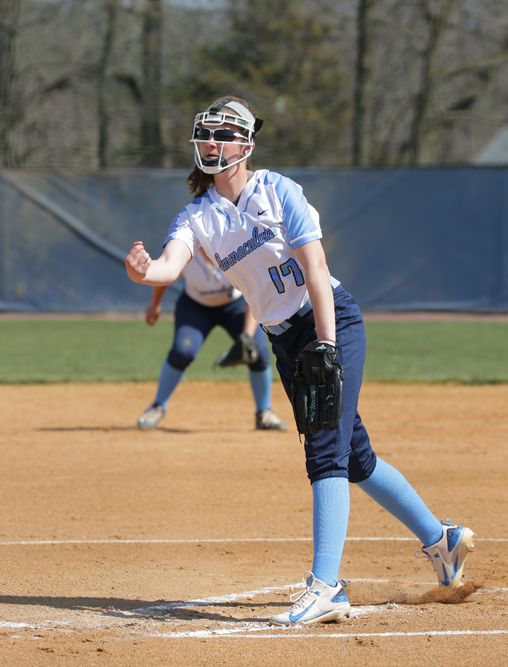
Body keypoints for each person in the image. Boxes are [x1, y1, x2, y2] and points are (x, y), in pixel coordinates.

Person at [124, 96, 474, 625]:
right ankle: (441, 540)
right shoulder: (198, 216)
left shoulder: (277, 190)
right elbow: (168, 267)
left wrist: (327, 344)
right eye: (206, 134)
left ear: (247, 145)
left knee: (325, 451)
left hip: (328, 321)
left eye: (224, 134)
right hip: (284, 341)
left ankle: (327, 588)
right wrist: (142, 271)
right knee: (354, 458)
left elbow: (316, 267)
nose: (212, 143)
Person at [136, 250, 289, 432]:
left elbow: (253, 292)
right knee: (183, 351)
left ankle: (264, 413)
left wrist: (247, 336)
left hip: (236, 305)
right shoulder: (186, 245)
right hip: (195, 306)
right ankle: (157, 406)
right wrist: (155, 305)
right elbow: (166, 273)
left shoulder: (234, 246)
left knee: (257, 352)